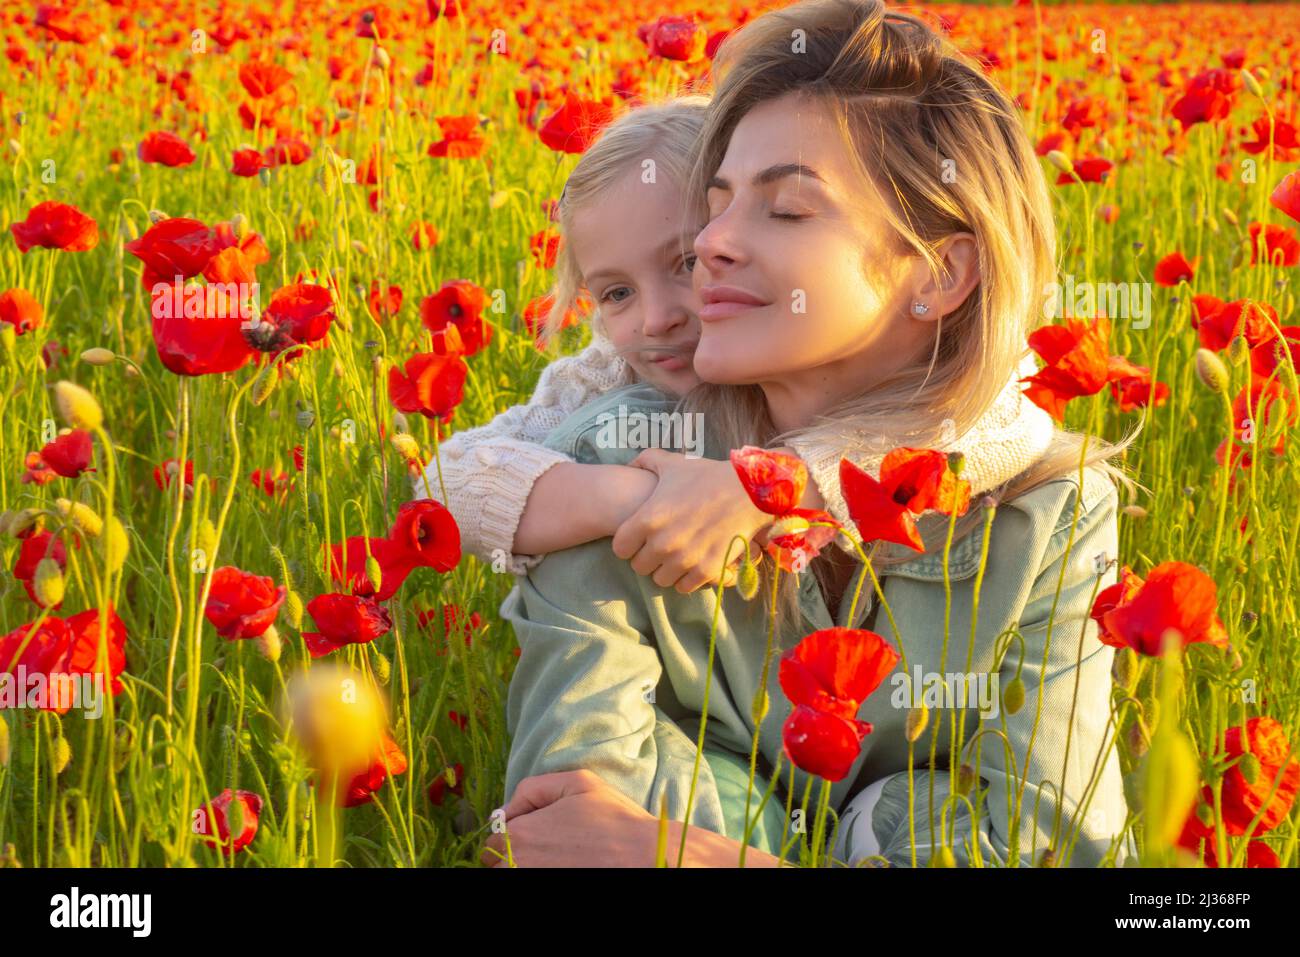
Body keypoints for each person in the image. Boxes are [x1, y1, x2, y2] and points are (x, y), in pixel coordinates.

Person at [487, 0, 1142, 868]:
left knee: (916, 813)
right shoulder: (612, 460)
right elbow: (561, 826)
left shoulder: (1046, 513)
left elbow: (1066, 855)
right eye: (715, 207)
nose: (712, 243)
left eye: (786, 210)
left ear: (941, 273)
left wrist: (713, 858)